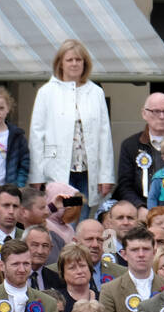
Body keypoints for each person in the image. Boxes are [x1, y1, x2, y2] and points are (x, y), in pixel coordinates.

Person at [28, 39, 115, 209]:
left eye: (78, 60)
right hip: (56, 169)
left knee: (79, 214)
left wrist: (106, 176)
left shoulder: (96, 92)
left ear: (85, 63)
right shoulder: (47, 92)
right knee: (61, 215)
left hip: (87, 171)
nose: (74, 64)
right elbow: (37, 136)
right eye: (69, 60)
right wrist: (36, 176)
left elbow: (105, 135)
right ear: (60, 63)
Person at [115, 93, 164, 207]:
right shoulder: (130, 145)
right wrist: (140, 207)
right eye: (156, 111)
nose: (162, 116)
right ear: (144, 114)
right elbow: (124, 187)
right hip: (143, 208)